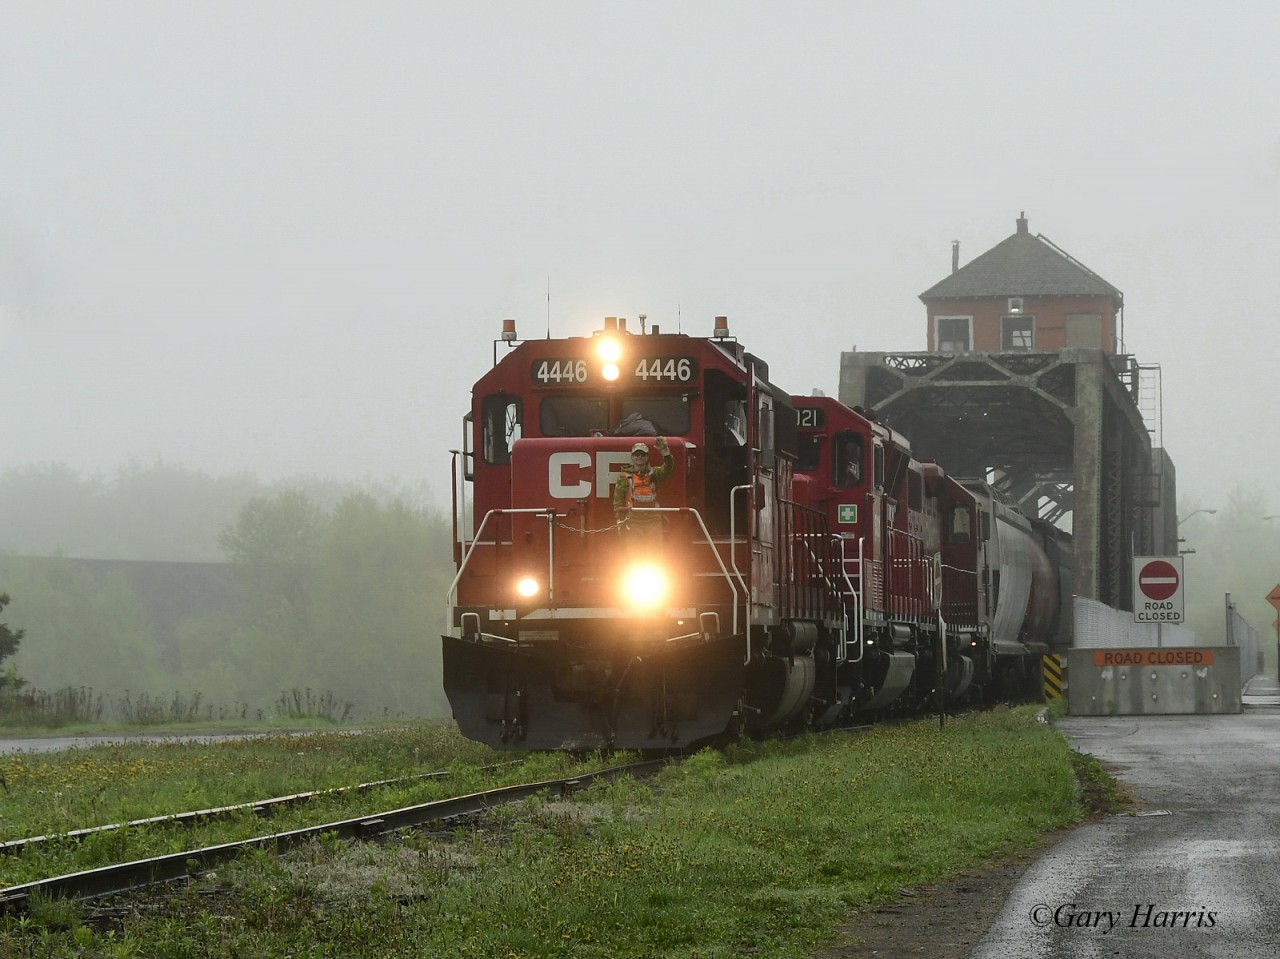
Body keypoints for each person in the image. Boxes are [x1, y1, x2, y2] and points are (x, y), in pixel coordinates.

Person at [614, 436, 673, 540]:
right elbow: (618, 501)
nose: (639, 457)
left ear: (647, 457)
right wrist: (620, 521)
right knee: (634, 552)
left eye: (643, 454)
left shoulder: (655, 473)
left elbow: (668, 469)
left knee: (655, 552)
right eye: (637, 454)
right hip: (633, 520)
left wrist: (665, 453)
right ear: (632, 457)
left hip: (653, 519)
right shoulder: (624, 477)